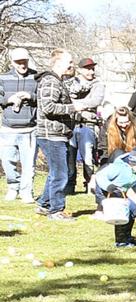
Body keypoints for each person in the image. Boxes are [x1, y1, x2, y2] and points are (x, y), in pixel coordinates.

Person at [35, 49, 77, 220]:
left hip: (57, 134)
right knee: (61, 173)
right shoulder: (51, 81)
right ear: (59, 63)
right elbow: (48, 108)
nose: (72, 65)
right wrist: (75, 107)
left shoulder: (57, 81)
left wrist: (83, 115)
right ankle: (56, 211)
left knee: (56, 172)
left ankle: (44, 204)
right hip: (51, 135)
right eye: (70, 62)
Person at [0, 47, 39, 203]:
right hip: (8, 129)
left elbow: (42, 98)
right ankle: (13, 187)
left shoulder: (36, 77)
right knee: (7, 161)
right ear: (12, 62)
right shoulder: (3, 78)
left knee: (29, 164)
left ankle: (26, 191)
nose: (22, 65)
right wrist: (9, 99)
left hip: (30, 129)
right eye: (18, 62)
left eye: (24, 62)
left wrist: (30, 96)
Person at [67, 57, 104, 194]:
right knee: (70, 157)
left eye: (92, 68)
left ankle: (90, 185)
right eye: (88, 69)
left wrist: (77, 104)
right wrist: (79, 108)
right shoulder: (71, 82)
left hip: (88, 125)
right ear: (80, 70)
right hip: (71, 124)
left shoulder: (98, 84)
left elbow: (95, 100)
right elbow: (66, 99)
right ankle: (69, 186)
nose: (91, 72)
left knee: (88, 157)